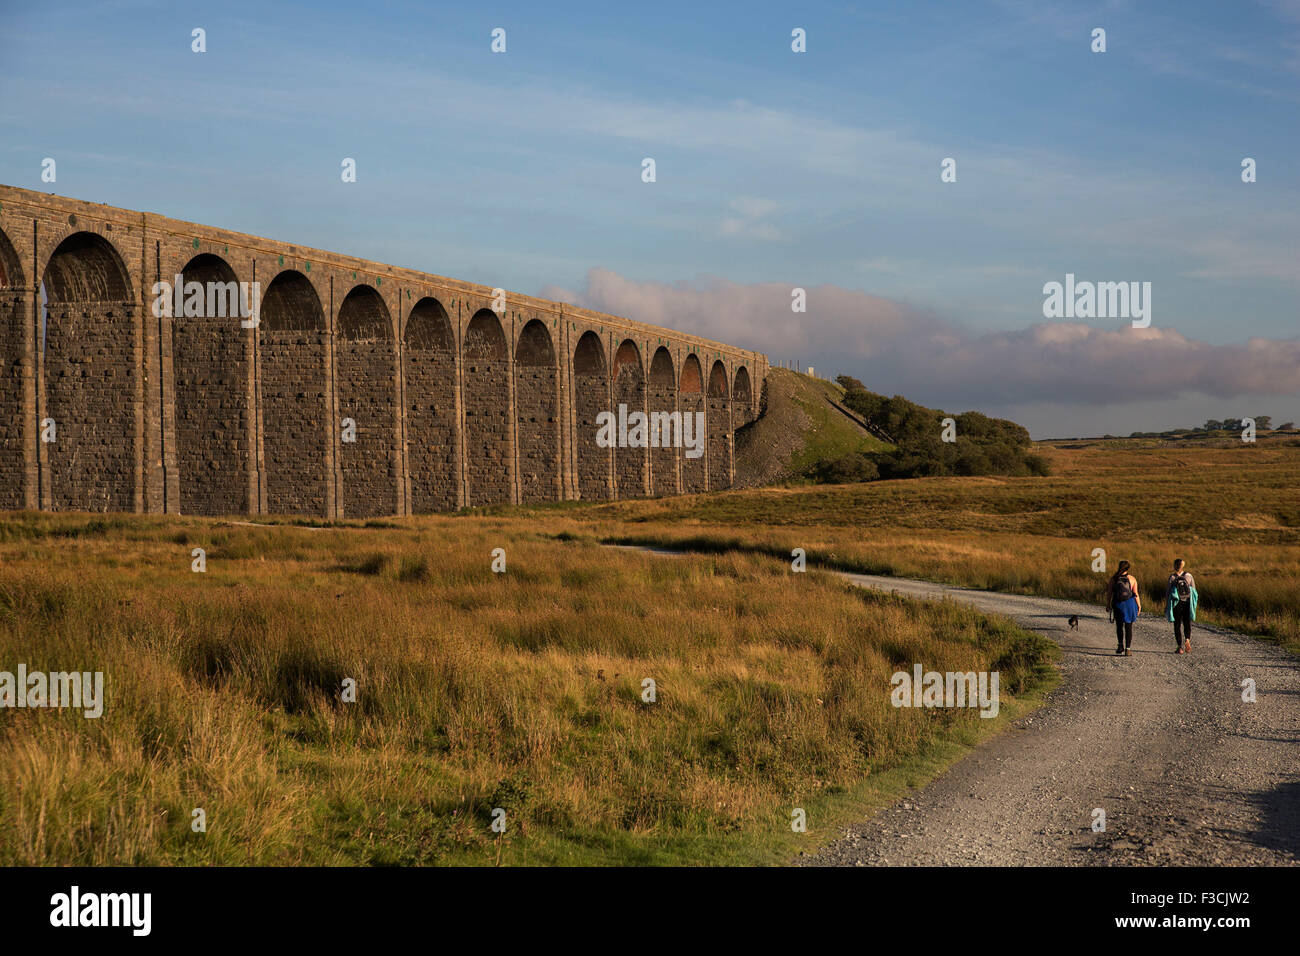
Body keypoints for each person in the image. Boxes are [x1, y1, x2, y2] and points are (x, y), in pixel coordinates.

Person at [1106, 560, 1140, 656]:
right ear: (1128, 568)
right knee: (1129, 626)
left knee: (1119, 626)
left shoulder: (1114, 579)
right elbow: (1136, 593)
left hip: (1118, 604)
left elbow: (1109, 593)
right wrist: (1139, 605)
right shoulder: (1132, 579)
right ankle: (1128, 649)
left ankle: (1120, 645)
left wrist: (1108, 604)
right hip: (1130, 603)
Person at [1166, 558, 1198, 654]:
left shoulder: (1172, 577)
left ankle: (1180, 647)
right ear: (1182, 566)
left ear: (1175, 565)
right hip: (1187, 602)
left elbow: (1168, 592)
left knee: (1177, 624)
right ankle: (1187, 639)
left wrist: (1167, 605)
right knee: (1187, 623)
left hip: (1177, 603)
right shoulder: (1189, 576)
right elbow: (1194, 591)